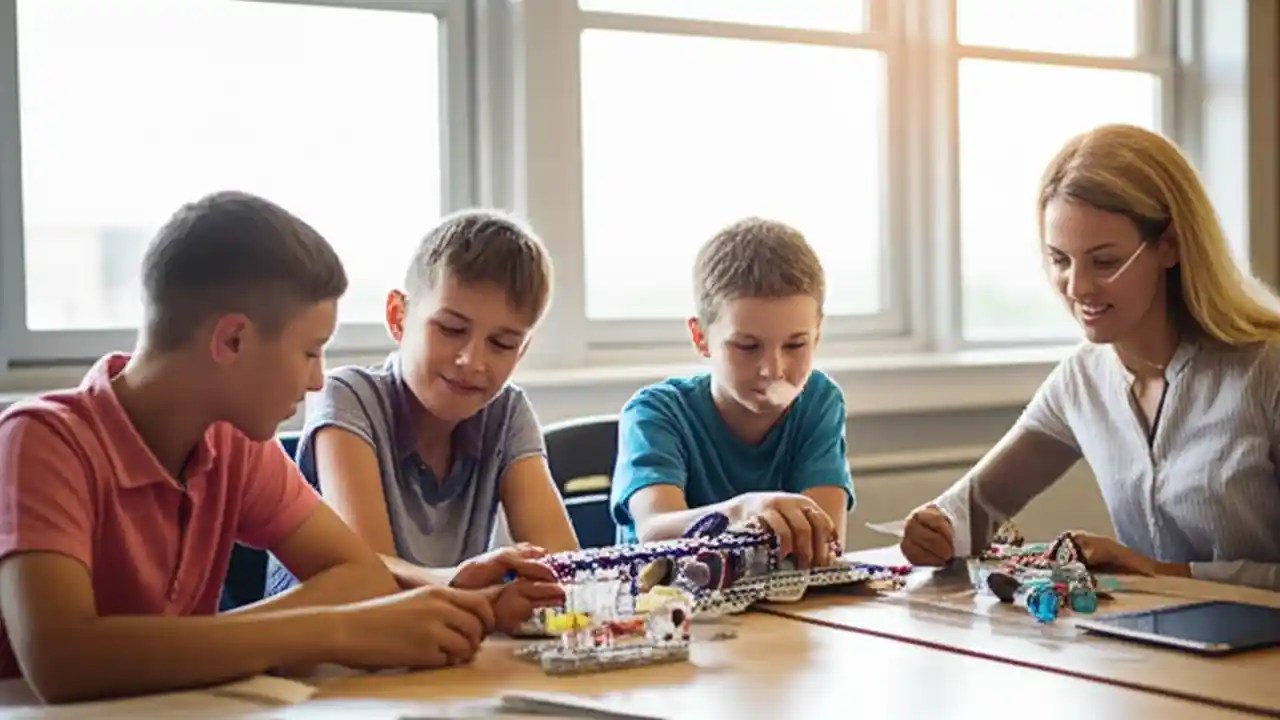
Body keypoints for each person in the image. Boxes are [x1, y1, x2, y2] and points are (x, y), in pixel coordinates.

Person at [0, 191, 550, 704]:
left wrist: (222, 640)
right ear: (232, 340)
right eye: (310, 352)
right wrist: (332, 630)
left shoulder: (234, 444)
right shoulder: (41, 440)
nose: (317, 381)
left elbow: (358, 575)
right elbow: (61, 661)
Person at [900, 124, 1280, 590]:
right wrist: (934, 527)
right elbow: (971, 512)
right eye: (1060, 260)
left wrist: (1158, 573)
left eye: (1104, 262)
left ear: (1171, 245)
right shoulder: (1082, 380)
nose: (1077, 289)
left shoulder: (1267, 368)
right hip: (1154, 651)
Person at [265, 209, 577, 598]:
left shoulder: (507, 413)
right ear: (399, 317)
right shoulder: (346, 396)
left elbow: (563, 566)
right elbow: (366, 573)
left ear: (522, 350)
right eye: (450, 329)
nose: (472, 361)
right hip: (329, 646)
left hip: (440, 641)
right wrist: (473, 589)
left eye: (502, 344)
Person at [609, 218, 855, 567]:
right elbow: (653, 531)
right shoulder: (655, 412)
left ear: (817, 335)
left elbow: (824, 544)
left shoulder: (818, 400)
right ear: (700, 338)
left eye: (796, 344)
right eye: (748, 346)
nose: (774, 369)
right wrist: (743, 511)